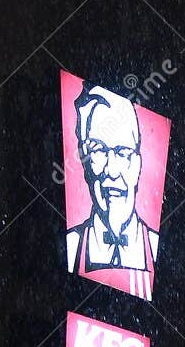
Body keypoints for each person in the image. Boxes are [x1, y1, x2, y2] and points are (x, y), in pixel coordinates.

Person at [66, 84, 159, 300]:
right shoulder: (70, 247)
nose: (112, 170)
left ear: (137, 165)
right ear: (84, 162)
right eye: (98, 150)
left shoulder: (155, 250)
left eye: (122, 152)